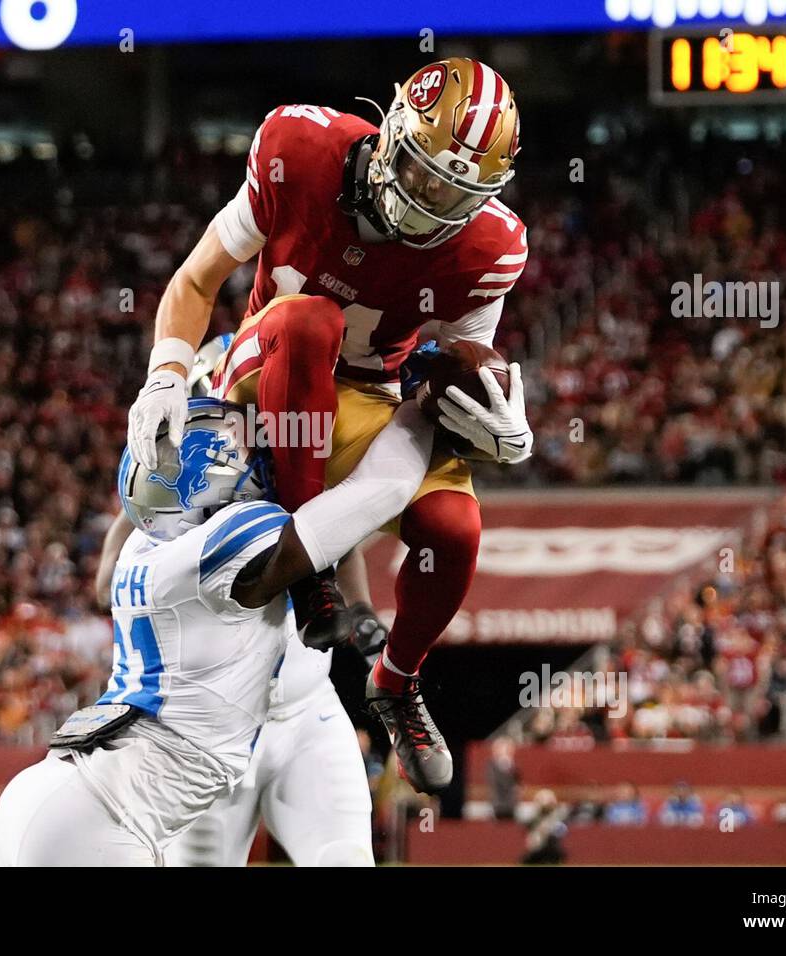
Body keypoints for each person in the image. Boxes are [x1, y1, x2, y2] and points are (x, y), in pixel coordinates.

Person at [126, 58, 534, 794]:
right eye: (426, 171)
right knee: (312, 320)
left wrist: (500, 421)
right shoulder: (298, 148)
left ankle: (397, 681)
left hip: (371, 392)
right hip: (264, 362)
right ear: (393, 133)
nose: (434, 198)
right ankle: (307, 560)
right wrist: (164, 371)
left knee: (456, 531)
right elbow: (195, 278)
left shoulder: (491, 246)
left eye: (458, 191)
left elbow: (459, 370)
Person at [0, 397, 433, 865]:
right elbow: (382, 487)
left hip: (73, 803)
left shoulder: (147, 545)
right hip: (101, 819)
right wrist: (421, 412)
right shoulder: (220, 548)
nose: (259, 460)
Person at [94, 338, 386, 867]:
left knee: (344, 859)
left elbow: (337, 543)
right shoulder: (157, 520)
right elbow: (110, 579)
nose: (241, 429)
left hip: (305, 714)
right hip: (207, 733)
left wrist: (361, 610)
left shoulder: (289, 476)